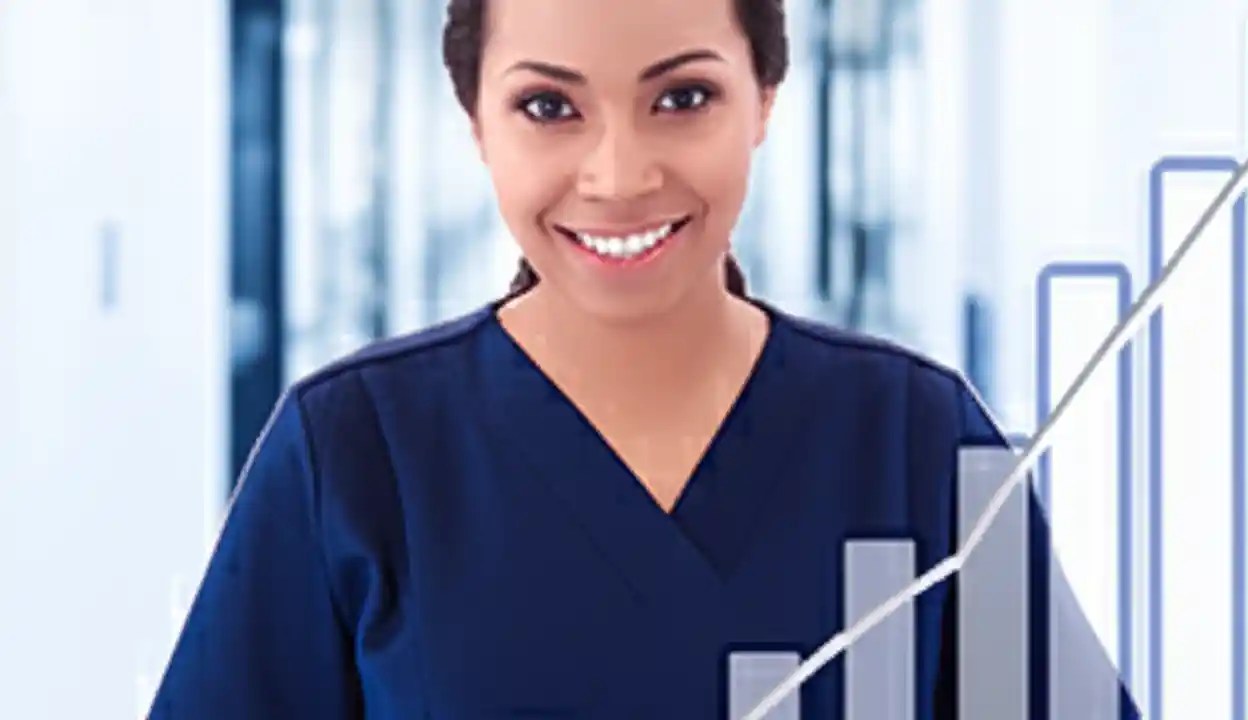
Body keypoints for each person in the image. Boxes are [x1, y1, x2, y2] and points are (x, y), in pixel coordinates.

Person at [148, 0, 1141, 717]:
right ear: (475, 126)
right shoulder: (355, 453)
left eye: (682, 97)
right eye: (547, 107)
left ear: (762, 100)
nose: (618, 174)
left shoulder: (912, 438)